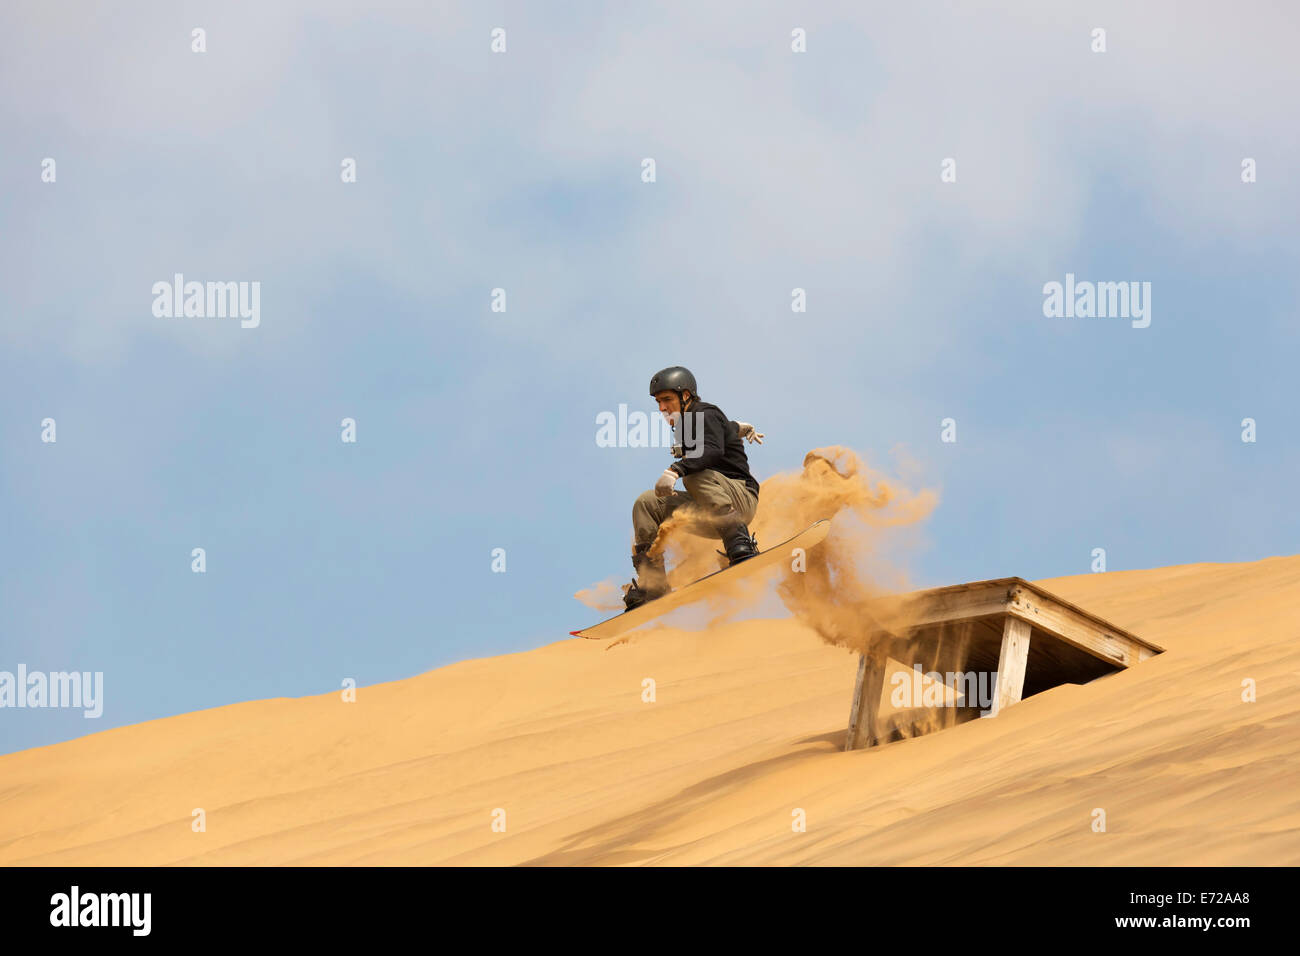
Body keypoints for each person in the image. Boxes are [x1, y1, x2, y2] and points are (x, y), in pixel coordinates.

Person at [623, 366, 766, 612]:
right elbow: (721, 430)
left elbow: (710, 450)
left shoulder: (704, 413)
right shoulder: (688, 424)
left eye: (667, 399)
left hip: (738, 501)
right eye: (658, 402)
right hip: (710, 512)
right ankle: (653, 583)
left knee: (693, 474)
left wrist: (677, 469)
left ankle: (739, 542)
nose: (662, 408)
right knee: (646, 503)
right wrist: (737, 427)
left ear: (686, 395)